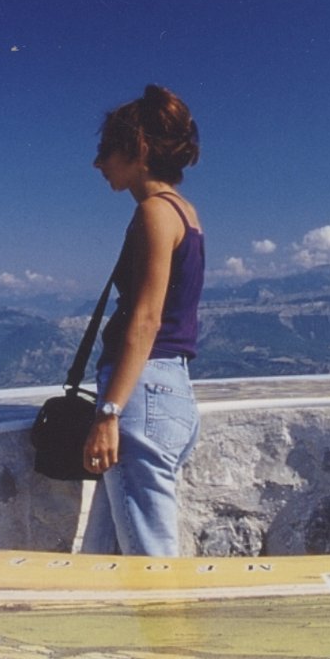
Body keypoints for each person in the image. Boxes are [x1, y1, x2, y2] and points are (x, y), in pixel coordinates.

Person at [79, 85, 205, 557]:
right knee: (105, 557)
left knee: (151, 565)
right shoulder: (184, 213)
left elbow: (146, 319)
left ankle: (174, 636)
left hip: (140, 398)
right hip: (169, 390)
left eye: (106, 149)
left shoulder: (154, 213)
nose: (98, 163)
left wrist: (109, 413)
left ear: (140, 150)